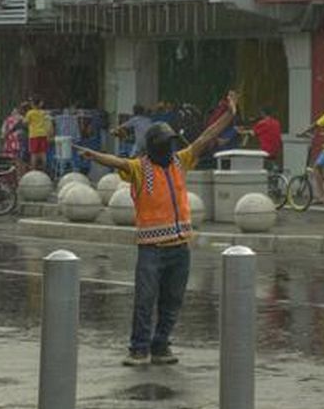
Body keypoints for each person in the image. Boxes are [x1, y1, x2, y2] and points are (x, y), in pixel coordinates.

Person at [76, 90, 240, 367]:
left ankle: (161, 345)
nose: (170, 147)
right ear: (155, 147)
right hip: (151, 248)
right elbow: (119, 162)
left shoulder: (180, 161)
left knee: (172, 300)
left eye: (171, 143)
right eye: (166, 144)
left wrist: (229, 115)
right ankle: (138, 348)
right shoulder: (140, 169)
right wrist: (95, 155)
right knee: (145, 300)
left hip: (180, 246)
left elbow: (205, 137)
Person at [25, 97, 53, 172]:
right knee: (43, 153)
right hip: (43, 134)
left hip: (34, 135)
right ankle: (44, 169)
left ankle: (33, 170)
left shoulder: (30, 113)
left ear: (32, 104)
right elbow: (48, 122)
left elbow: (25, 122)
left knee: (34, 153)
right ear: (40, 104)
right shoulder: (44, 113)